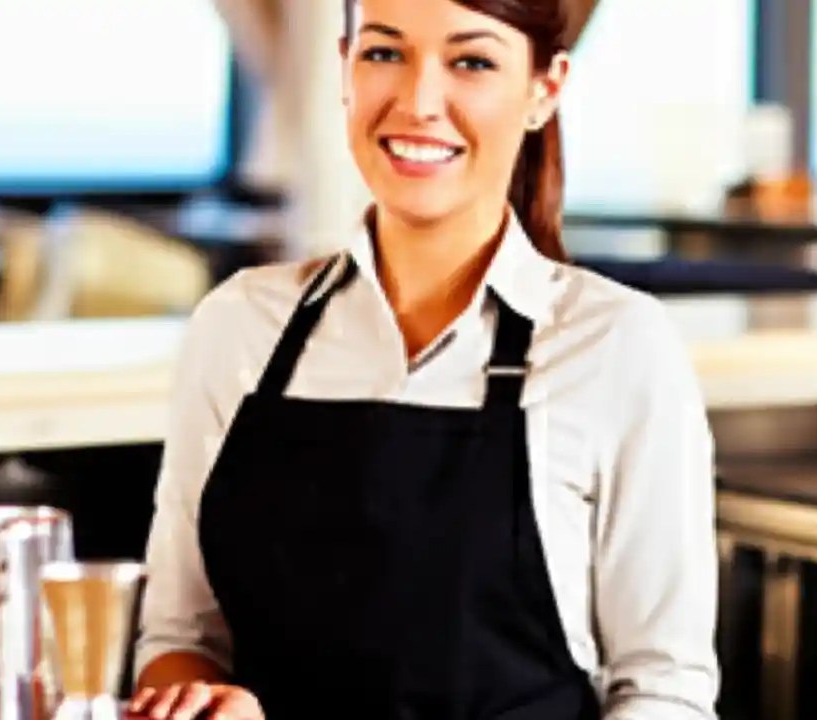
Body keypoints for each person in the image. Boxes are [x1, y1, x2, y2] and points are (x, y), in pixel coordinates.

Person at [127, 0, 719, 717]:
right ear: (345, 67)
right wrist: (202, 702)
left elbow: (665, 692)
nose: (417, 101)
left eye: (471, 61)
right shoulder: (238, 327)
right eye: (384, 53)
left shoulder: (618, 346)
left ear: (545, 88)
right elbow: (178, 639)